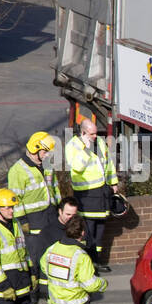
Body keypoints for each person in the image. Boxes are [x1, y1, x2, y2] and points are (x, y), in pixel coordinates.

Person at [65, 117, 121, 273]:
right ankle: (89, 263)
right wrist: (85, 149)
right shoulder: (73, 146)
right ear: (83, 133)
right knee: (88, 230)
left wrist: (113, 182)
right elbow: (77, 166)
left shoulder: (100, 142)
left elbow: (108, 163)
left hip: (102, 191)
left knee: (100, 229)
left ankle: (98, 261)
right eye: (92, 134)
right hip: (86, 194)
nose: (95, 137)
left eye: (96, 134)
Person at [7, 131, 60, 243]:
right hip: (34, 221)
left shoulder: (47, 165)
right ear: (35, 149)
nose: (48, 155)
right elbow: (16, 199)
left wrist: (60, 208)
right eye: (45, 152)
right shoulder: (17, 171)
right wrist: (23, 222)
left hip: (51, 216)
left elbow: (55, 187)